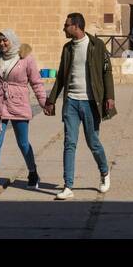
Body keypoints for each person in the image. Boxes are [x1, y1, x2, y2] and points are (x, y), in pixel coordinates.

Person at [43, 13, 115, 199]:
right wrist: (51, 100)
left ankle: (105, 172)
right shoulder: (67, 49)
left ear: (76, 26)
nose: (63, 28)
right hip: (72, 102)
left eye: (66, 25)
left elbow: (107, 72)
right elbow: (60, 77)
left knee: (93, 142)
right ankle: (68, 186)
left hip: (91, 102)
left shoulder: (96, 45)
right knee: (69, 143)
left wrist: (110, 97)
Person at [0, 29, 47, 194]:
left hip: (18, 105)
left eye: (5, 40)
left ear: (12, 40)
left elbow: (36, 82)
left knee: (23, 143)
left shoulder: (26, 58)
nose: (2, 43)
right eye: (0, 40)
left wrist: (44, 103)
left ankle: (33, 173)